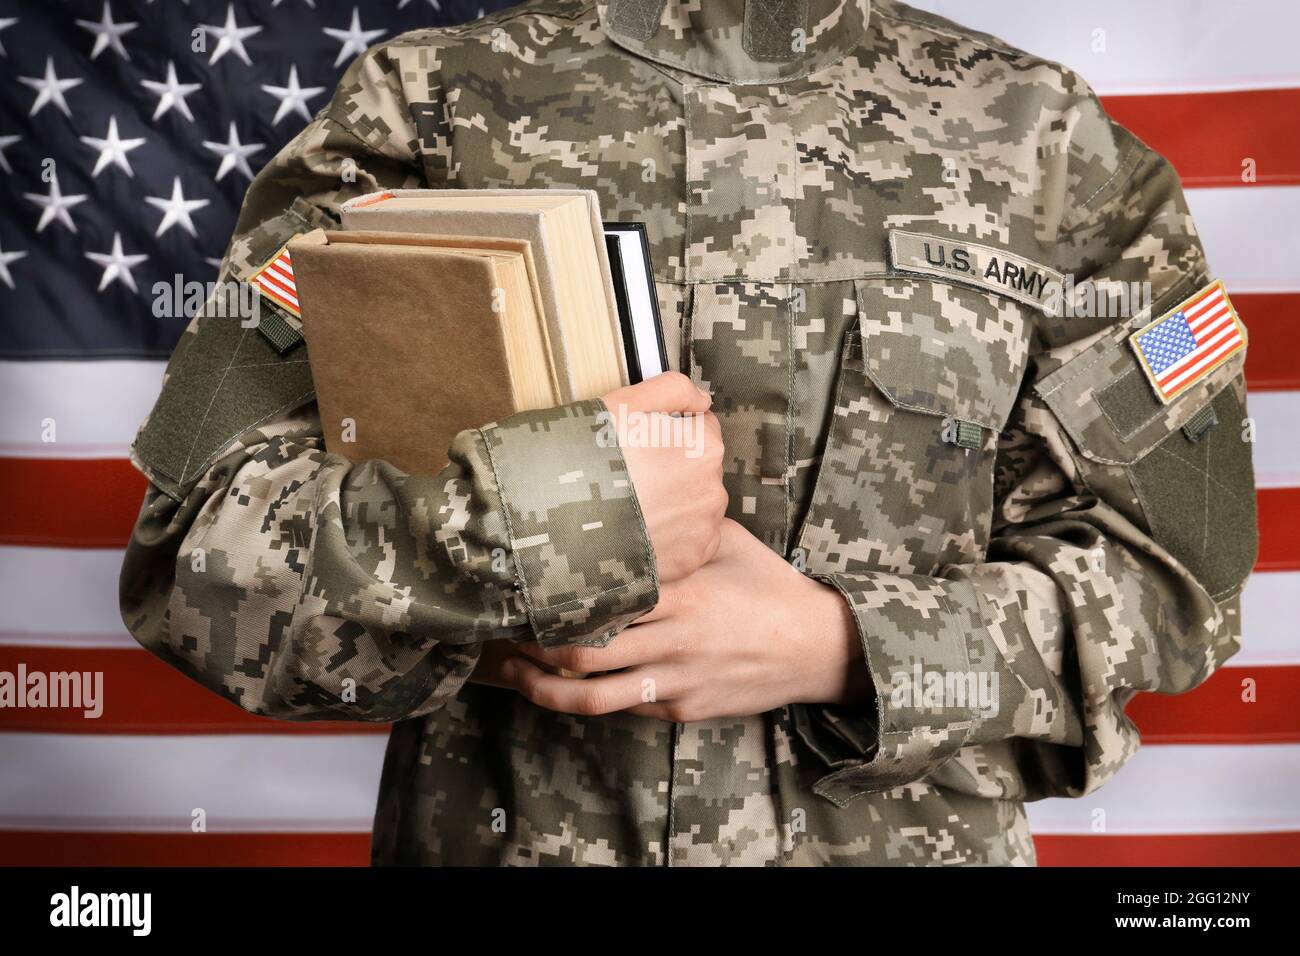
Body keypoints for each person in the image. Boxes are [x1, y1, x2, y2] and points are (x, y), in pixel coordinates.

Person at [120, 0, 1257, 865]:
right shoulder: (415, 111)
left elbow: (1179, 579)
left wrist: (844, 645)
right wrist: (537, 525)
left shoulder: (1057, 147)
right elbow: (195, 559)